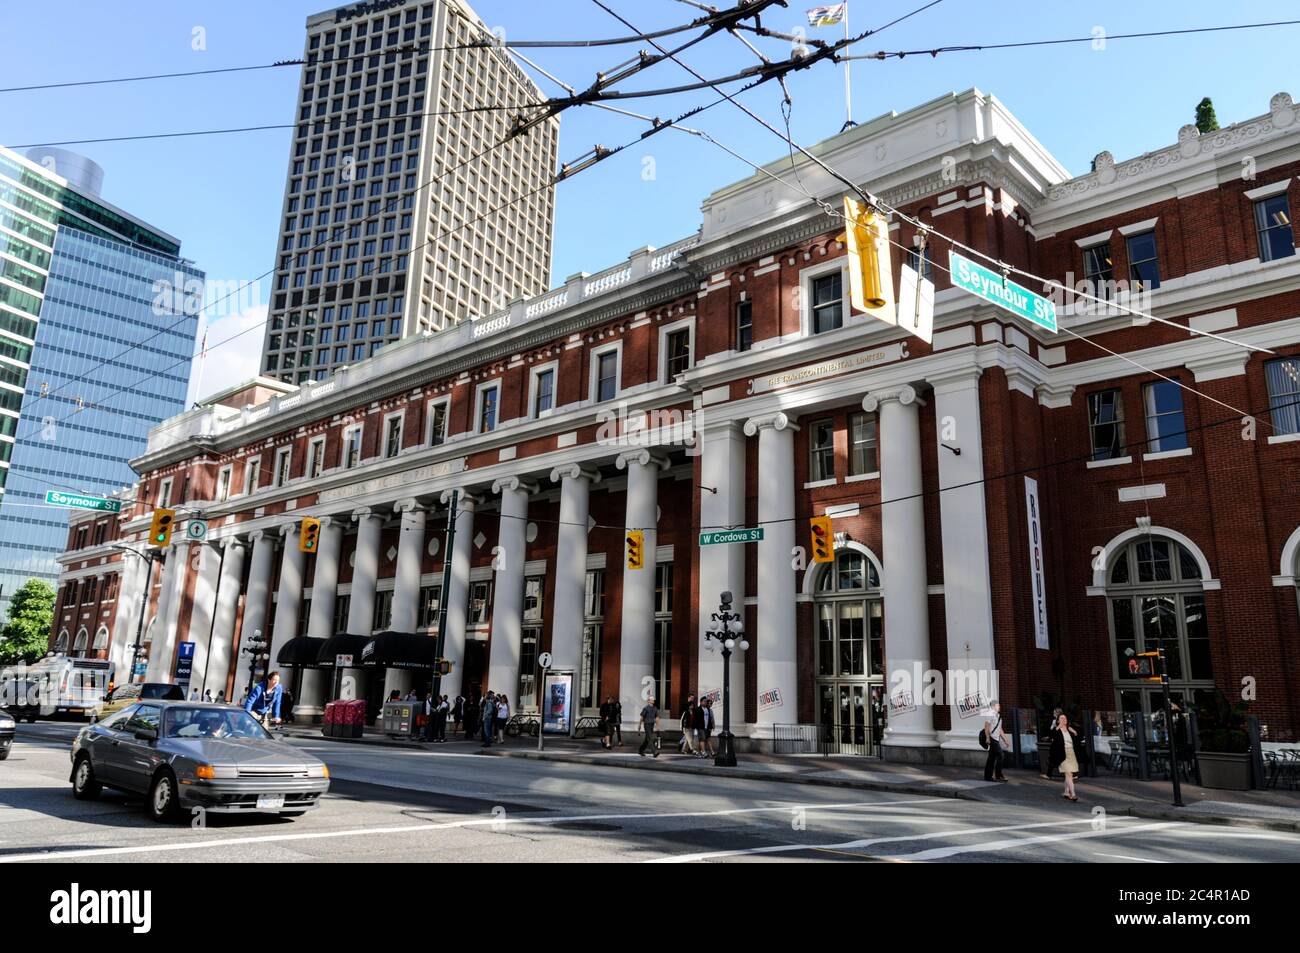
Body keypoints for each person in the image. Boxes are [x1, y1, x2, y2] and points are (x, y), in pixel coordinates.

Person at [1049, 712, 1081, 802]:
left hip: (1071, 753)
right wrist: (1058, 726)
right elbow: (1051, 735)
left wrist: (1074, 732)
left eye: (1065, 718)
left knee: (1069, 775)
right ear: (1058, 720)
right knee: (1069, 774)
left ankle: (1066, 792)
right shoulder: (1057, 729)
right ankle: (1073, 794)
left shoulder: (1069, 729)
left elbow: (1077, 738)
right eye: (1062, 718)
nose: (1064, 720)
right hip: (1062, 754)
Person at [982, 699, 1009, 782]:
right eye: (998, 705)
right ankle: (998, 775)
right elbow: (986, 726)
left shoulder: (998, 716)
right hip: (992, 738)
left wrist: (1005, 739)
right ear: (993, 706)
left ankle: (987, 776)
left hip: (996, 739)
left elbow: (1000, 729)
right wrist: (987, 738)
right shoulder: (990, 715)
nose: (1000, 707)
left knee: (991, 758)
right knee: (1001, 755)